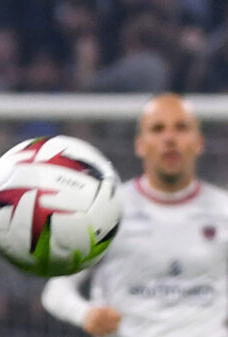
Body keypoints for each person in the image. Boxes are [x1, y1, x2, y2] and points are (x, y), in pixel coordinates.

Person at [41, 93, 228, 336]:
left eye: (181, 128)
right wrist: (86, 314)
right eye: (158, 129)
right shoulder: (106, 209)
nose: (170, 138)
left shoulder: (223, 209)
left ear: (199, 142)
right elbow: (55, 290)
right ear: (140, 144)